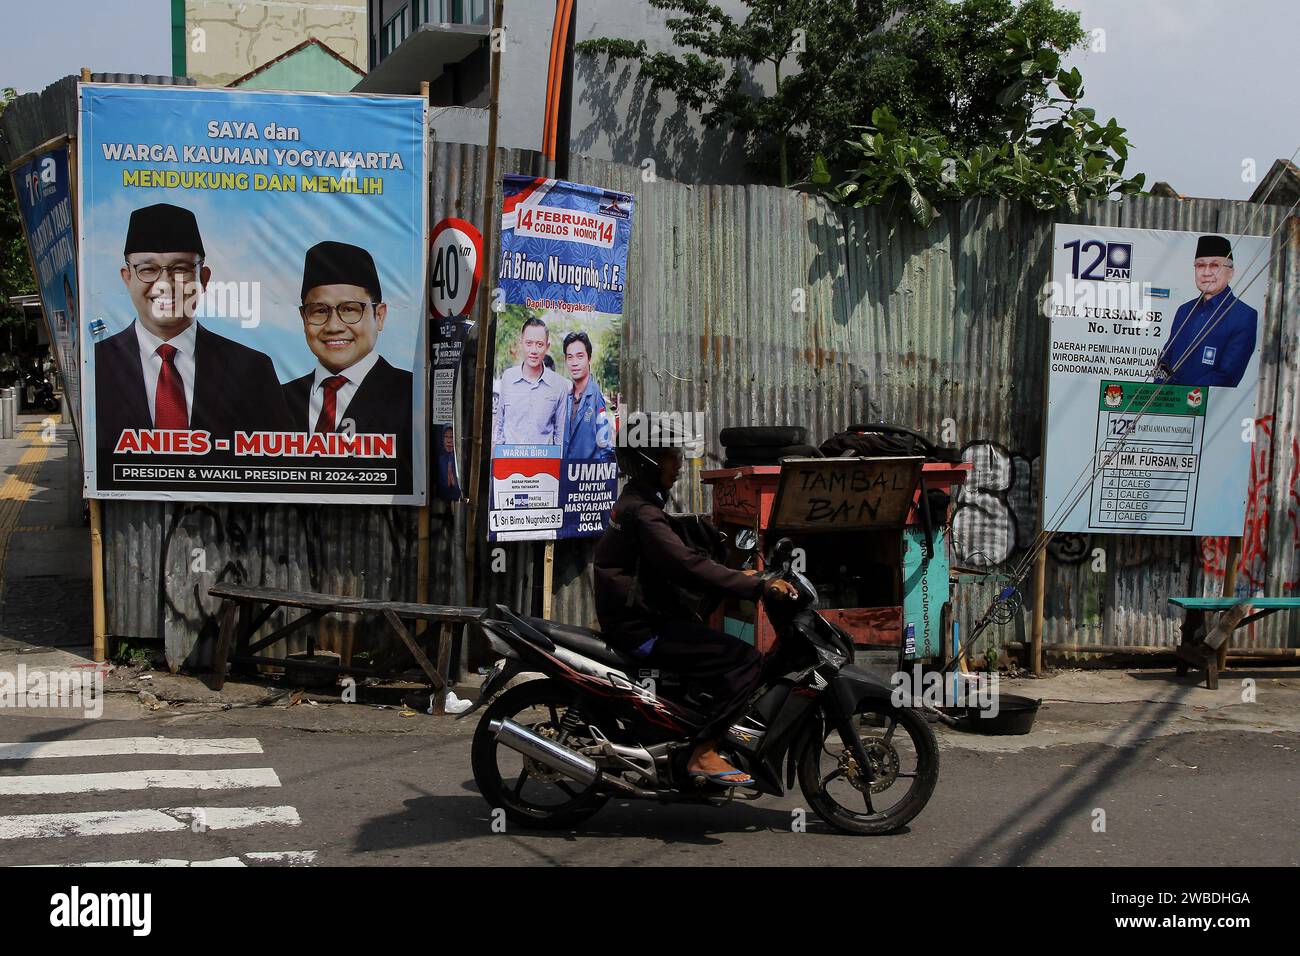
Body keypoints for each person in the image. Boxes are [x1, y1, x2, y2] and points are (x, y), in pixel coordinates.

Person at [593, 429, 798, 788]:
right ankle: (703, 751)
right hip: (642, 629)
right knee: (744, 660)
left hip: (638, 619)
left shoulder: (639, 502)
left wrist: (738, 573)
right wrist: (755, 585)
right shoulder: (643, 513)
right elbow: (686, 565)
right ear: (650, 463)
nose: (679, 465)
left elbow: (683, 558)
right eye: (672, 457)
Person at [94, 203, 291, 453]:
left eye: (181, 269)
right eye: (148, 270)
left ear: (204, 279)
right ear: (127, 277)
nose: (164, 284)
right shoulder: (97, 365)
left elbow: (278, 465)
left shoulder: (252, 369)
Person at [283, 241, 413, 492]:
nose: (334, 326)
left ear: (380, 315)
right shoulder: (277, 399)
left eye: (349, 309)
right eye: (319, 311)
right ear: (303, 318)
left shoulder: (412, 396)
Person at [1156, 235, 1258, 388]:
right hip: (1169, 405)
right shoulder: (1184, 311)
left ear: (1230, 273)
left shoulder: (1243, 316)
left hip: (1208, 408)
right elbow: (1165, 358)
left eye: (1215, 265)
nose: (1206, 272)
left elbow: (1227, 375)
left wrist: (1184, 397)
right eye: (1200, 265)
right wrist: (1159, 391)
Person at [493, 316, 566, 445]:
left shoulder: (559, 385)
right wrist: (498, 457)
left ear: (547, 346)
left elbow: (560, 433)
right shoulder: (508, 378)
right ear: (521, 343)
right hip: (510, 461)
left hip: (544, 462)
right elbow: (499, 424)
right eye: (529, 343)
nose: (533, 350)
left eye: (539, 344)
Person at [559, 330, 614, 462]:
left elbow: (604, 443)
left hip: (587, 475)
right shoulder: (565, 395)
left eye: (580, 356)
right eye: (570, 357)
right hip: (566, 474)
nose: (574, 363)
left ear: (589, 359)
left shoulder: (596, 396)